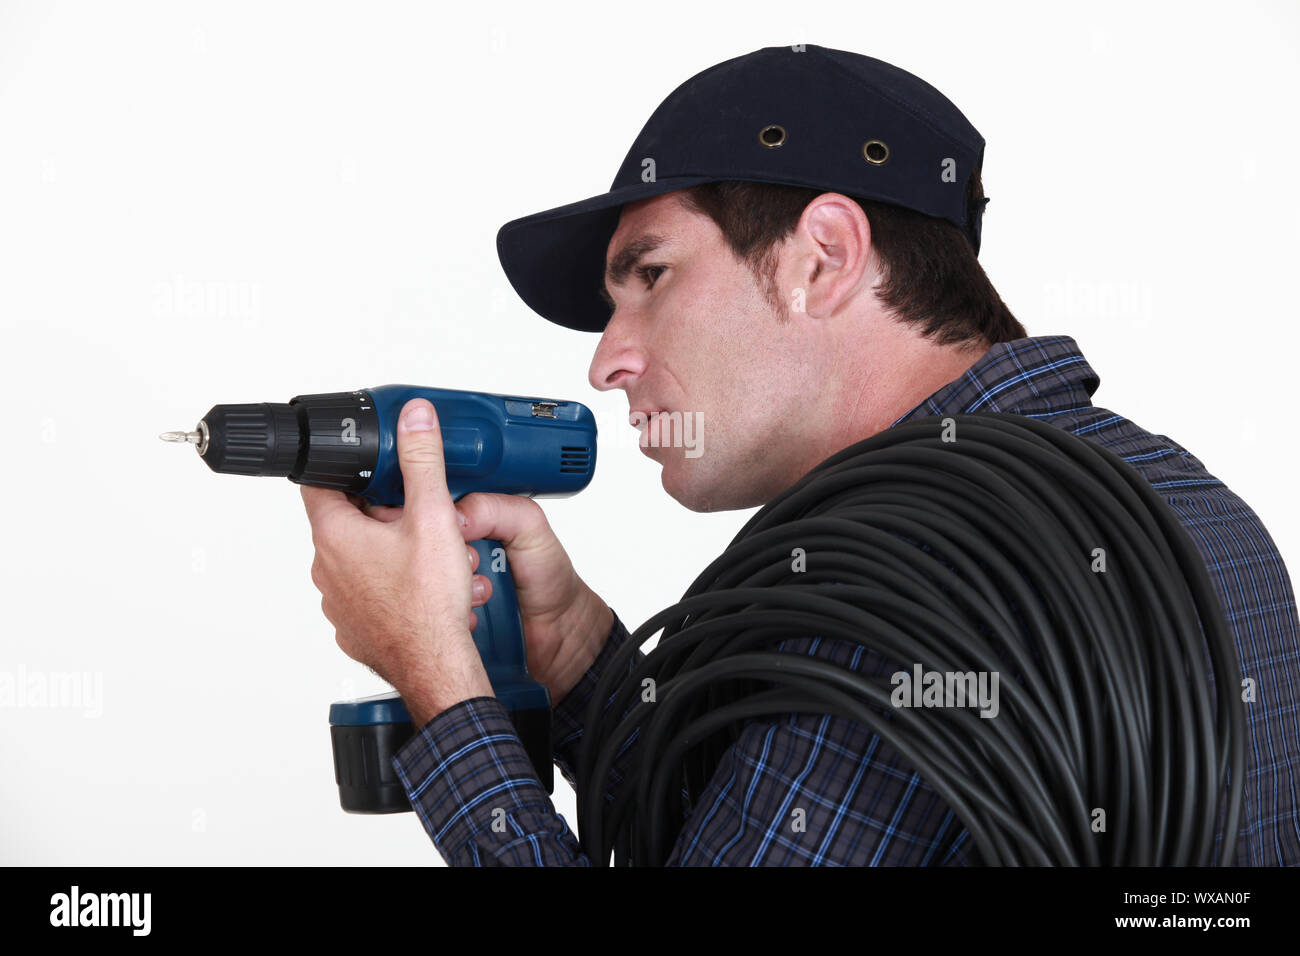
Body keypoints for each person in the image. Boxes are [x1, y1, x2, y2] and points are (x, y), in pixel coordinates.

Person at [301, 44, 1300, 865]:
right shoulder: (1191, 501)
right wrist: (577, 659)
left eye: (646, 274)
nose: (607, 361)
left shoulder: (913, 589)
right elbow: (785, 818)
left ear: (820, 256)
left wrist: (439, 682)